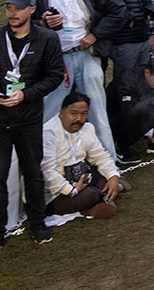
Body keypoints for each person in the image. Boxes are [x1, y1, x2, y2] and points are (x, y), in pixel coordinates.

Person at [0, 0, 66, 254]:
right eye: (8, 8)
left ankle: (38, 223)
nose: (12, 13)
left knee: (33, 172)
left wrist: (26, 95)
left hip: (28, 118)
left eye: (17, 8)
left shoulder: (47, 39)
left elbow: (54, 76)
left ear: (32, 9)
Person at [30, 0, 127, 157]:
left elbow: (119, 10)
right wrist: (43, 23)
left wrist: (95, 34)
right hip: (56, 60)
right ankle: (47, 164)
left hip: (86, 53)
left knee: (96, 108)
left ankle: (109, 165)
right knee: (51, 112)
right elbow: (22, 25)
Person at [41, 91, 121, 219]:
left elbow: (100, 156)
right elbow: (47, 173)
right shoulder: (48, 133)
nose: (79, 119)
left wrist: (113, 177)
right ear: (62, 113)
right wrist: (72, 190)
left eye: (84, 114)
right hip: (55, 193)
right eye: (73, 113)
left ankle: (104, 194)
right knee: (91, 195)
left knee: (105, 176)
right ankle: (97, 202)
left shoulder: (87, 128)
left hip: (80, 177)